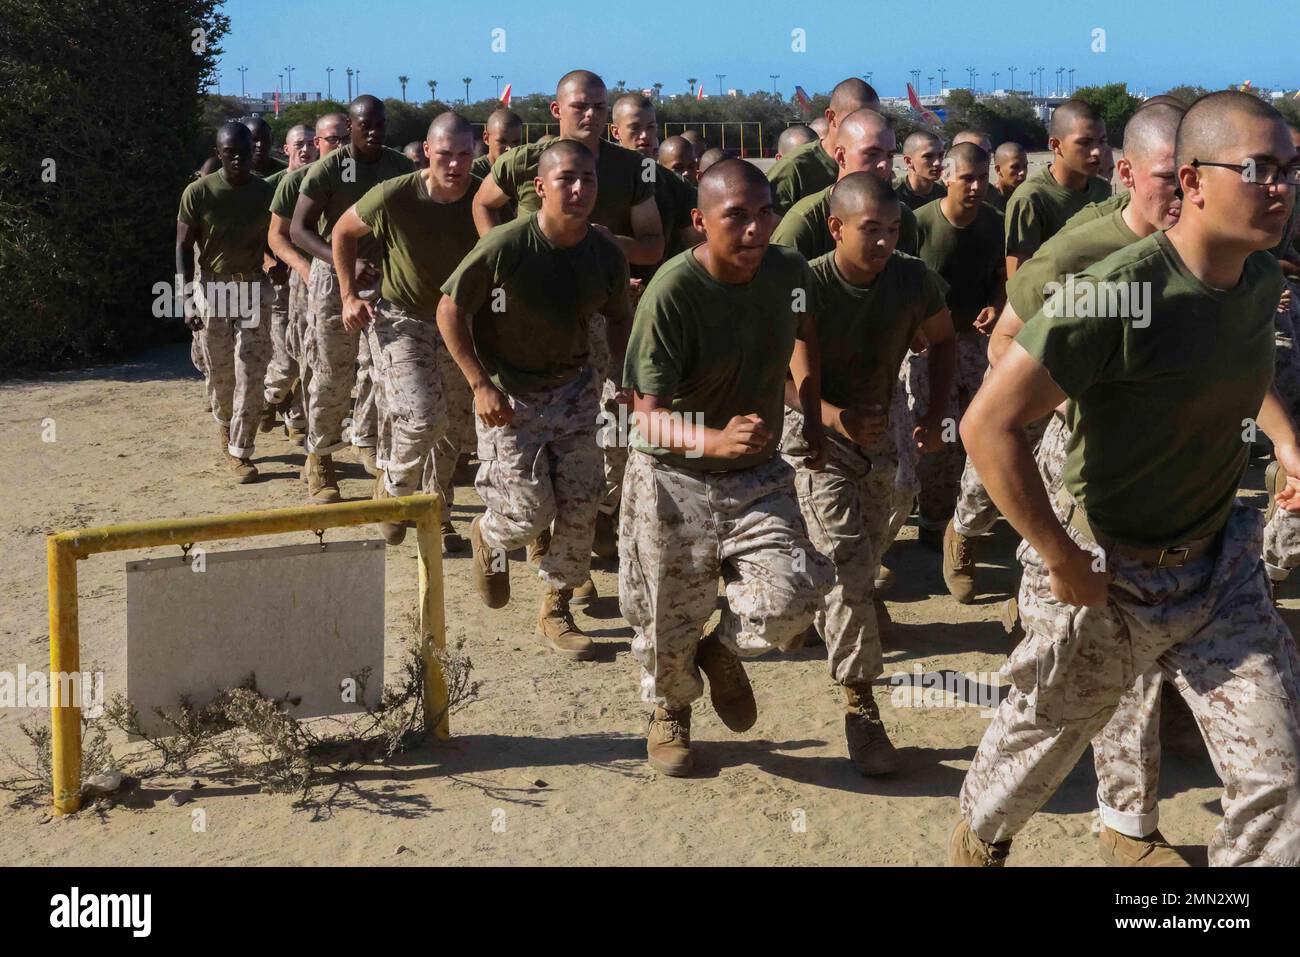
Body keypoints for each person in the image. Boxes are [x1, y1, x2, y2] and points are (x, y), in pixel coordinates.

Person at [950, 91, 1300, 867]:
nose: (1281, 186)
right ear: (1195, 181)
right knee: (1042, 741)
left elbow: (1238, 368)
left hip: (1221, 571)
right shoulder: (1114, 291)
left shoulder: (1254, 278)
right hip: (1112, 575)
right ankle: (976, 843)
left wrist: (1287, 441)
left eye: (1290, 168)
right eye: (1259, 168)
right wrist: (1058, 554)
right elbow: (986, 424)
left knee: (1282, 780)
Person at [620, 158, 833, 776]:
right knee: (665, 615)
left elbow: (803, 335)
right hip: (673, 476)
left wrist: (813, 417)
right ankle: (671, 710)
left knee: (795, 597)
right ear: (699, 222)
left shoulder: (789, 271)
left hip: (757, 474)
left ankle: (721, 649)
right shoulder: (672, 291)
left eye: (764, 213)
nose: (755, 229)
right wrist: (714, 441)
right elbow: (644, 418)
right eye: (735, 217)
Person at [781, 172, 954, 774]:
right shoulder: (805, 286)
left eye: (893, 230)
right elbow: (786, 371)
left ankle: (789, 612)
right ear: (835, 229)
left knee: (872, 535)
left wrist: (936, 411)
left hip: (880, 435)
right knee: (849, 572)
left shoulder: (912, 279)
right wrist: (831, 419)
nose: (884, 242)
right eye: (869, 231)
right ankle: (862, 706)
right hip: (814, 436)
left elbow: (943, 337)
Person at [438, 139, 632, 661]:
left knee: (581, 502)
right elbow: (450, 311)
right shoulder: (506, 245)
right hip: (511, 396)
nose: (578, 189)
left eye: (588, 180)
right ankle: (487, 532)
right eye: (566, 179)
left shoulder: (605, 252)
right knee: (528, 515)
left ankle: (556, 606)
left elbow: (618, 317)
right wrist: (479, 384)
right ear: (540, 187)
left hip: (574, 389)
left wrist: (621, 378)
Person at [331, 113, 482, 550]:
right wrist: (347, 295)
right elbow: (342, 230)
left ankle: (438, 512)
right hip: (401, 319)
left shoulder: (482, 198)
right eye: (446, 155)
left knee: (453, 428)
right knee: (422, 418)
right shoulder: (395, 195)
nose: (455, 165)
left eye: (464, 155)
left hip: (457, 321)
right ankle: (394, 490)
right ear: (428, 153)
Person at [292, 95, 414, 504]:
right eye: (366, 125)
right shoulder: (329, 169)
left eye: (380, 124)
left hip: (385, 280)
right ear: (350, 125)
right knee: (332, 374)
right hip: (335, 279)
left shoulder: (398, 166)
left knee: (385, 372)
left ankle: (378, 455)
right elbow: (299, 230)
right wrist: (343, 261)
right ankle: (321, 458)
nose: (374, 132)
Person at [907, 143, 1006, 544]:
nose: (977, 186)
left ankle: (967, 523)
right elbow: (901, 281)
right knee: (936, 431)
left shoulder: (995, 222)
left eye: (983, 177)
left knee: (980, 428)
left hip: (976, 341)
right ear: (946, 177)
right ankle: (932, 520)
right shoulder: (918, 224)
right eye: (967, 178)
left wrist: (997, 307)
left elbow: (1004, 276)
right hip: (928, 344)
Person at [176, 122, 276, 483]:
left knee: (251, 372)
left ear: (253, 151)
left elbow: (274, 237)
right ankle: (224, 422)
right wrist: (186, 298)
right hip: (213, 289)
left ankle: (241, 450)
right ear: (218, 152)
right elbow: (184, 247)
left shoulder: (265, 192)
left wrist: (276, 262)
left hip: (252, 288)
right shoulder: (199, 193)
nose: (237, 158)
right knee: (221, 373)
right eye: (229, 151)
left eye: (243, 151)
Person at [267, 113, 348, 449]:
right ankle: (275, 402)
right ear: (320, 144)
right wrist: (305, 270)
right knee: (304, 358)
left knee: (349, 366)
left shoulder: (357, 180)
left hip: (355, 282)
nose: (340, 147)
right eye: (332, 140)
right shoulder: (294, 182)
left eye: (346, 138)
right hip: (310, 283)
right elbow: (278, 236)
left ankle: (328, 435)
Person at [772, 108, 919, 260]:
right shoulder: (803, 224)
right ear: (841, 156)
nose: (884, 164)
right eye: (872, 154)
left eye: (890, 155)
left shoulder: (903, 220)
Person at [1004, 99, 1111, 277]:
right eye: (1085, 143)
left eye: (1102, 141)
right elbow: (1017, 280)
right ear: (1055, 145)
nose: (1097, 152)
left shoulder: (1102, 189)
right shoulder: (1030, 199)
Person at [259, 123, 316, 443]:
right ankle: (271, 398)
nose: (306, 149)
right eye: (299, 144)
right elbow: (256, 236)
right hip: (282, 285)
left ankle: (297, 419)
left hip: (317, 287)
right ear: (286, 149)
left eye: (311, 143)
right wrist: (269, 263)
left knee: (314, 359)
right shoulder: (272, 186)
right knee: (286, 361)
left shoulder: (326, 182)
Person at [767, 77, 880, 217]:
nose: (866, 126)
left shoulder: (877, 166)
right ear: (832, 117)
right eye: (855, 117)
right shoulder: (793, 169)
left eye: (874, 118)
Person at [895, 130, 947, 209]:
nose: (937, 162)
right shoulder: (892, 193)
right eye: (928, 156)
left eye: (940, 155)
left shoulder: (944, 195)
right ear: (909, 161)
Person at [986, 142, 1028, 213]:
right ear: (998, 170)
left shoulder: (1029, 198)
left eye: (1025, 166)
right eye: (1015, 167)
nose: (1022, 172)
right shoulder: (988, 201)